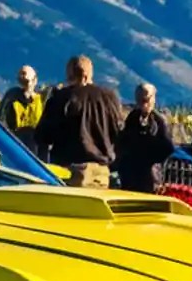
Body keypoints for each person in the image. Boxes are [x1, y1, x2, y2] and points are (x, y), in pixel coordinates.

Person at [33, 54, 125, 189]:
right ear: (89, 74)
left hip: (70, 171)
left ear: (70, 74)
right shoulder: (110, 98)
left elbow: (43, 135)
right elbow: (119, 133)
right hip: (101, 173)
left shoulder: (62, 98)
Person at [117, 83, 174, 193]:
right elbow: (123, 141)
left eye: (146, 99)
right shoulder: (132, 118)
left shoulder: (159, 121)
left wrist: (151, 158)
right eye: (140, 99)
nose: (144, 103)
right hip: (130, 175)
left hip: (150, 176)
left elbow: (168, 147)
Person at [0, 65, 45, 153]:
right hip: (15, 142)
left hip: (36, 145)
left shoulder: (41, 100)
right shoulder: (11, 97)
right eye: (21, 80)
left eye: (27, 81)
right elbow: (1, 117)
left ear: (35, 80)